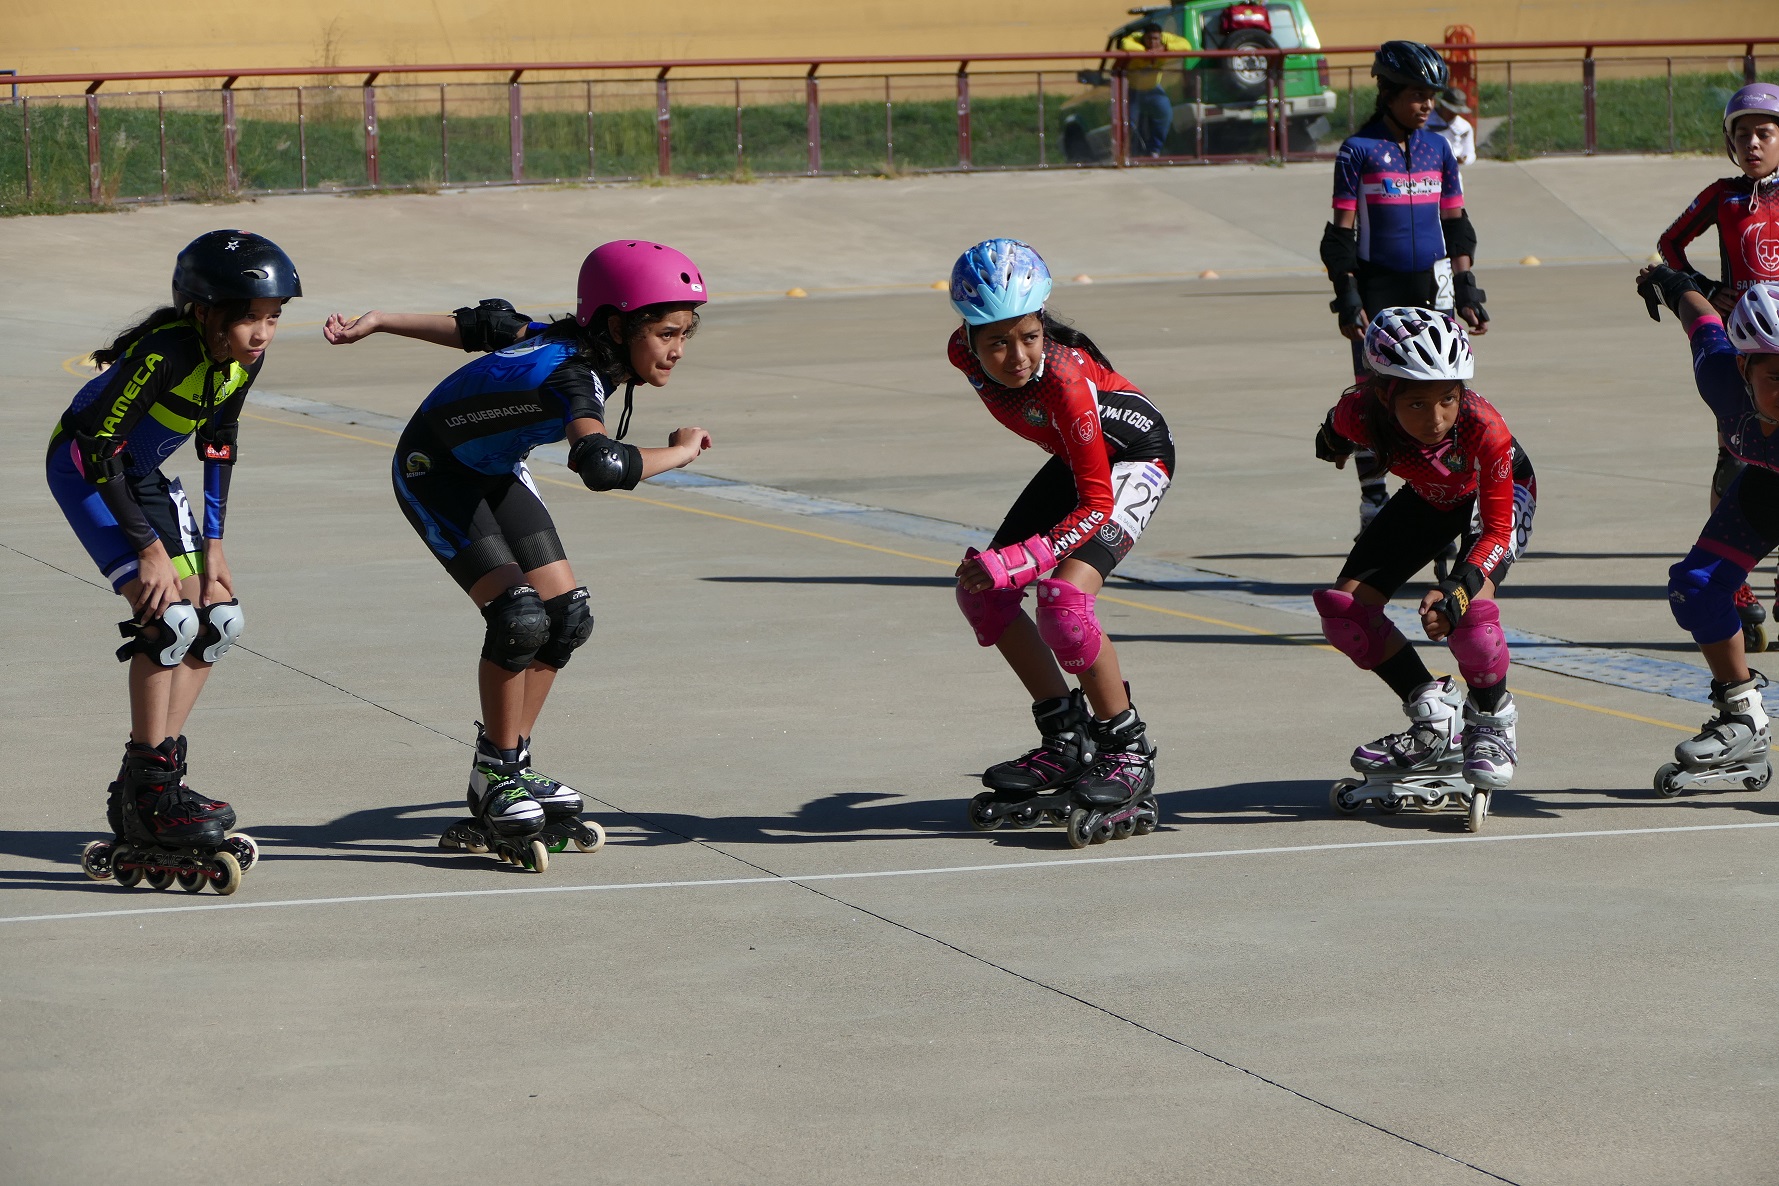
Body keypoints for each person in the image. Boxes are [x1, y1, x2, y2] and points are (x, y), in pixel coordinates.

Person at [322, 241, 711, 870]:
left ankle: (508, 765)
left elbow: (474, 328)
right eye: (666, 333)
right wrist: (684, 451)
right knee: (518, 617)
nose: (678, 349)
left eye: (686, 333)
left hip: (494, 469)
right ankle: (497, 775)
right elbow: (602, 466)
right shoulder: (577, 376)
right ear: (617, 327)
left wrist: (382, 320)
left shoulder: (557, 337)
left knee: (567, 618)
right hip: (435, 471)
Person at [56, 230, 299, 895]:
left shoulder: (239, 361)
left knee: (218, 621)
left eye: (273, 316)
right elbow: (97, 446)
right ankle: (150, 794)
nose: (261, 332)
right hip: (87, 472)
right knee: (170, 622)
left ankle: (151, 783)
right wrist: (148, 548)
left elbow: (218, 441)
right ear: (203, 310)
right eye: (248, 317)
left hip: (141, 478)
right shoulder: (165, 353)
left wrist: (214, 544)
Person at [948, 238, 1176, 848]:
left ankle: (1126, 750)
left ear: (1043, 324)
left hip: (1134, 459)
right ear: (968, 338)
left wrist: (1020, 559)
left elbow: (1096, 505)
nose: (1016, 357)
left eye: (1029, 336)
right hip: (1080, 460)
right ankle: (1066, 739)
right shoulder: (959, 355)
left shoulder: (1068, 381)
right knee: (983, 596)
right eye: (996, 343)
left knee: (1065, 604)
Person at [1313, 307, 1534, 818]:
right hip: (1431, 496)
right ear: (1383, 395)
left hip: (1493, 500)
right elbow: (1333, 431)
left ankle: (1492, 721)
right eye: (1417, 403)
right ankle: (1435, 716)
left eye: (1448, 399)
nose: (1435, 419)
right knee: (1346, 614)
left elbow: (1496, 532)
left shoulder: (1486, 430)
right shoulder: (1357, 411)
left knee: (1470, 615)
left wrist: (1457, 589)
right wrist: (1331, 446)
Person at [1320, 41, 1490, 541]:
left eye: (1430, 96)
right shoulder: (1358, 150)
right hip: (1377, 286)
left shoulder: (1439, 148)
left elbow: (1455, 223)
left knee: (1443, 395)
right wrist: (1347, 295)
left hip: (1432, 286)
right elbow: (1341, 235)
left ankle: (1448, 493)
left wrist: (1466, 286)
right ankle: (1373, 499)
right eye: (1417, 95)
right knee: (1375, 398)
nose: (1427, 105)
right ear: (1388, 92)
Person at [1636, 269, 1779, 795]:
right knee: (1696, 589)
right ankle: (1743, 717)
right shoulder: (1720, 374)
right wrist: (1670, 283)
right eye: (1777, 378)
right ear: (1744, 367)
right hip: (1768, 484)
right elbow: (1703, 323)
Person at [1655, 83, 1779, 651]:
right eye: (1742, 135)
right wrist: (1707, 289)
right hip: (1742, 346)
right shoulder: (1723, 196)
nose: (1753, 144)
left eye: (1764, 134)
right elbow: (1670, 244)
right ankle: (1738, 585)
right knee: (1736, 453)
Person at [1117, 21, 1192, 157]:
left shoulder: (1165, 40)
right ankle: (1130, 152)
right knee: (1129, 122)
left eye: (1155, 39)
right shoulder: (1135, 38)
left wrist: (1163, 48)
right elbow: (1125, 45)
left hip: (1153, 89)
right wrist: (1148, 53)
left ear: (1160, 38)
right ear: (1143, 38)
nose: (1152, 42)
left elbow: (1186, 45)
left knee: (1165, 114)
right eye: (1149, 39)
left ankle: (1154, 150)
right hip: (1133, 90)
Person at [1426, 86, 1476, 167]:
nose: (1453, 114)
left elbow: (1470, 153)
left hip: (1452, 170)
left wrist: (1464, 160)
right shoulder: (1425, 121)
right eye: (1450, 110)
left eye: (1457, 111)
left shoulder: (1464, 127)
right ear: (1442, 105)